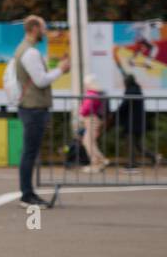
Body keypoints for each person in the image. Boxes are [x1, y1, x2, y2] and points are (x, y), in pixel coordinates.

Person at [14, 15, 71, 207]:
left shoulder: (26, 50)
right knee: (30, 153)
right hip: (33, 108)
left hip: (31, 107)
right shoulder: (30, 53)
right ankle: (27, 195)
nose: (45, 32)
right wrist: (61, 70)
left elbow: (38, 77)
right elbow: (40, 80)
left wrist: (57, 68)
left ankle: (27, 193)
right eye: (43, 28)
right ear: (34, 29)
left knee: (29, 152)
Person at [79, 74, 109, 172]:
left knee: (88, 142)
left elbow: (86, 108)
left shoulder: (92, 93)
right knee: (89, 141)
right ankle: (99, 161)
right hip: (94, 119)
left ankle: (98, 161)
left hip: (91, 119)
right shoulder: (98, 92)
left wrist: (82, 112)